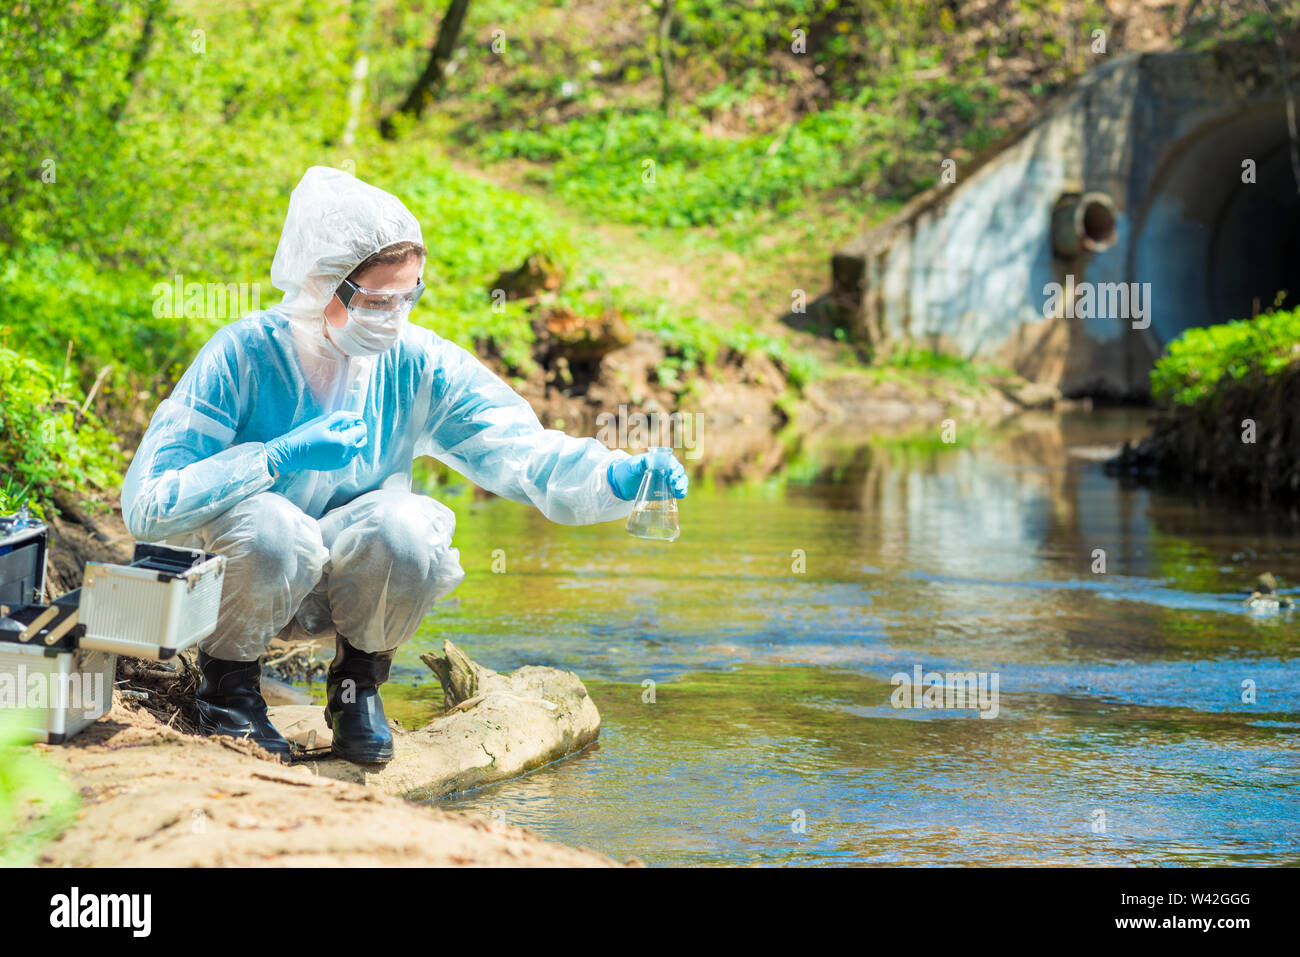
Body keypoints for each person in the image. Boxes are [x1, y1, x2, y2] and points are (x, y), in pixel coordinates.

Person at [121, 167, 688, 763]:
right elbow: (149, 503)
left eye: (408, 296)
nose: (394, 316)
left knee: (406, 524)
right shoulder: (242, 355)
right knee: (272, 526)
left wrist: (613, 476)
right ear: (320, 283)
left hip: (337, 584)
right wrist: (272, 459)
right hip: (234, 577)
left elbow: (519, 448)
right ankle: (228, 689)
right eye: (376, 300)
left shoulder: (418, 362)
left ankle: (356, 686)